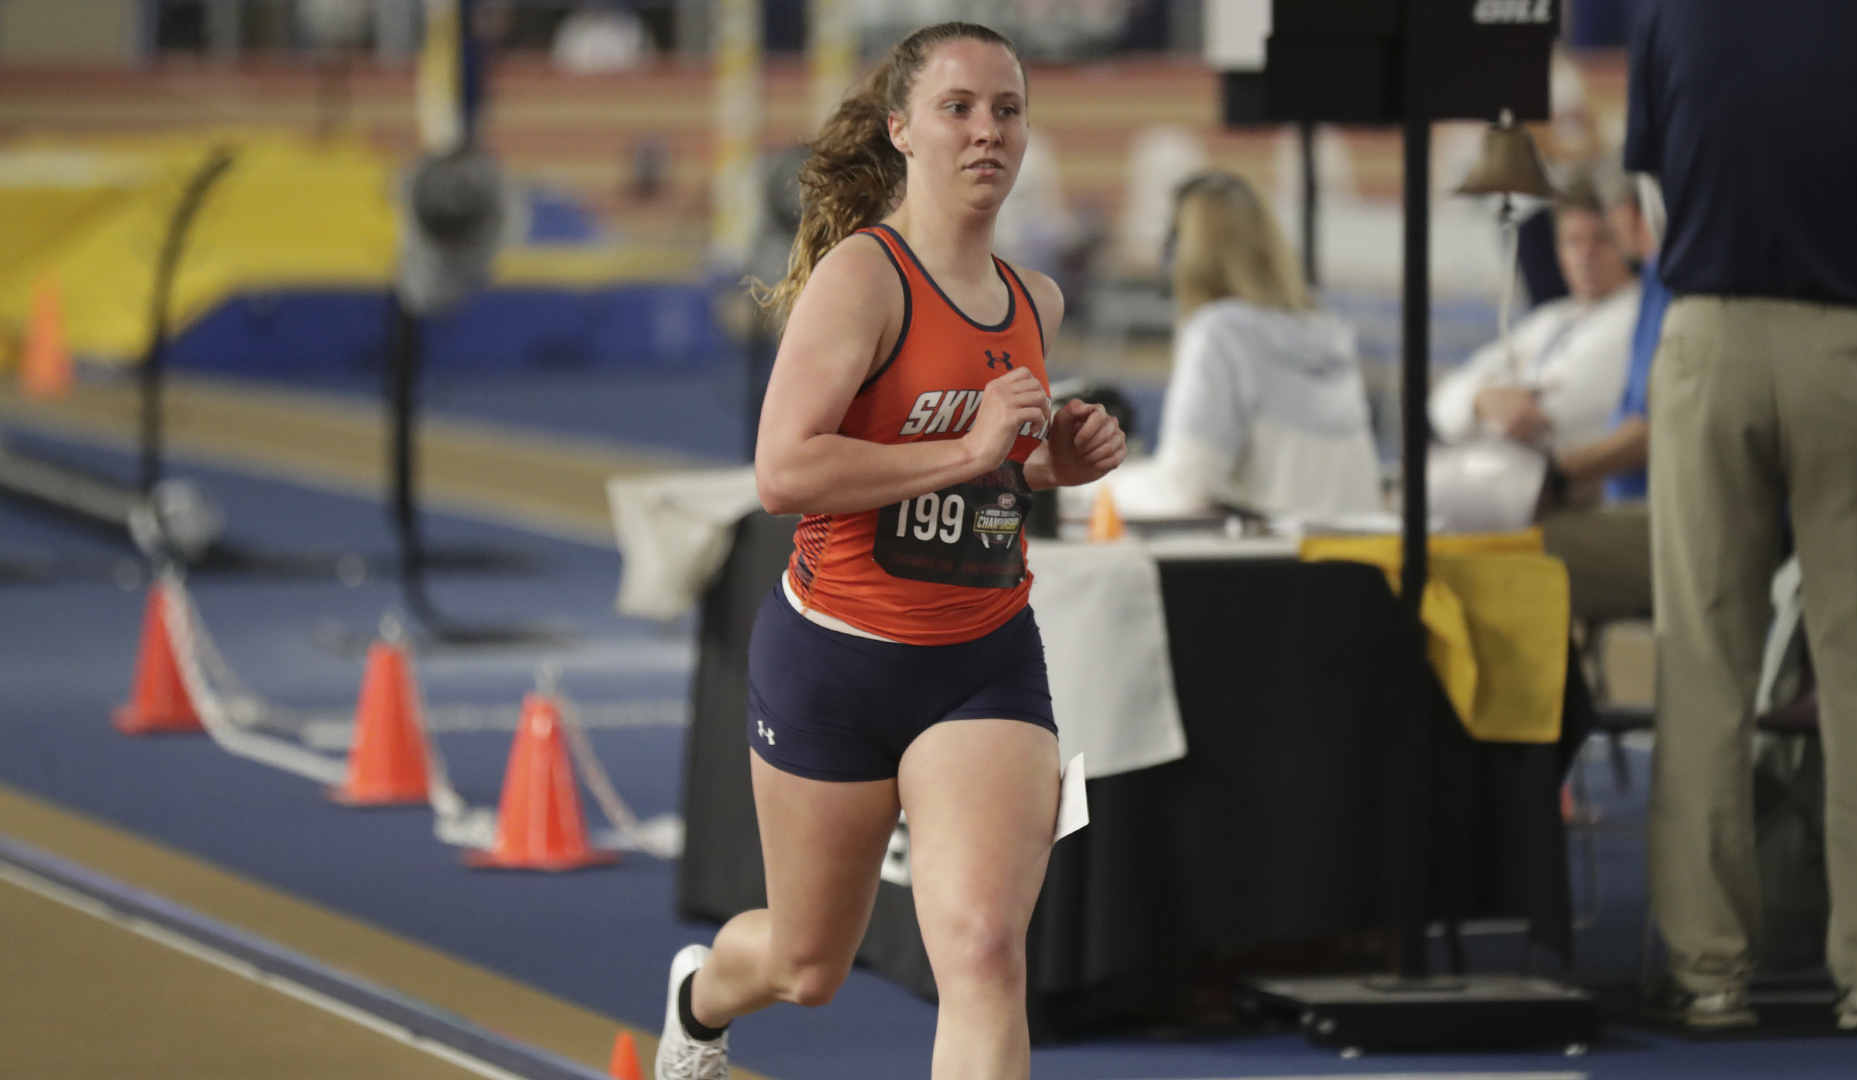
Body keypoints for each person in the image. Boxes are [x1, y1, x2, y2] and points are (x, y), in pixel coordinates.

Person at [653, 23, 1127, 1080]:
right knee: (807, 963)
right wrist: (965, 446)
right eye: (959, 108)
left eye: (1007, 110)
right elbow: (785, 472)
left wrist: (1045, 467)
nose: (987, 131)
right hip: (837, 660)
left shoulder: (1034, 301)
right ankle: (698, 1000)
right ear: (902, 130)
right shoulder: (865, 281)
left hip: (983, 661)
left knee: (984, 949)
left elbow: (989, 477)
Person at [1627, 0, 1857, 1032]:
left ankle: (1709, 972)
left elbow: (1654, 195)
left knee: (1703, 656)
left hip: (1709, 335)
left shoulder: (1668, 14)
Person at [1103, 171, 1380, 520]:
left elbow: (1187, 486)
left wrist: (1088, 486)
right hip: (1357, 556)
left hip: (1276, 561)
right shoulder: (1323, 324)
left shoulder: (1219, 331)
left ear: (1185, 250)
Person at [1429, 174, 1642, 473]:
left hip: (1576, 494)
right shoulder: (1550, 319)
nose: (1585, 255)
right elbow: (1442, 400)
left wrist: (1485, 406)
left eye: (1600, 239)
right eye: (1573, 241)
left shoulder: (1637, 316)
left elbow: (1542, 417)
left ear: (1624, 241)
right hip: (1506, 483)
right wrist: (1482, 399)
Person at [1535, 166, 1673, 621]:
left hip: (1662, 516)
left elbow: (1661, 431)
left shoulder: (1671, 286)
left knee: (1510, 555)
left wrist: (1559, 478)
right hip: (1626, 502)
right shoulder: (1658, 284)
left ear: (1631, 214)